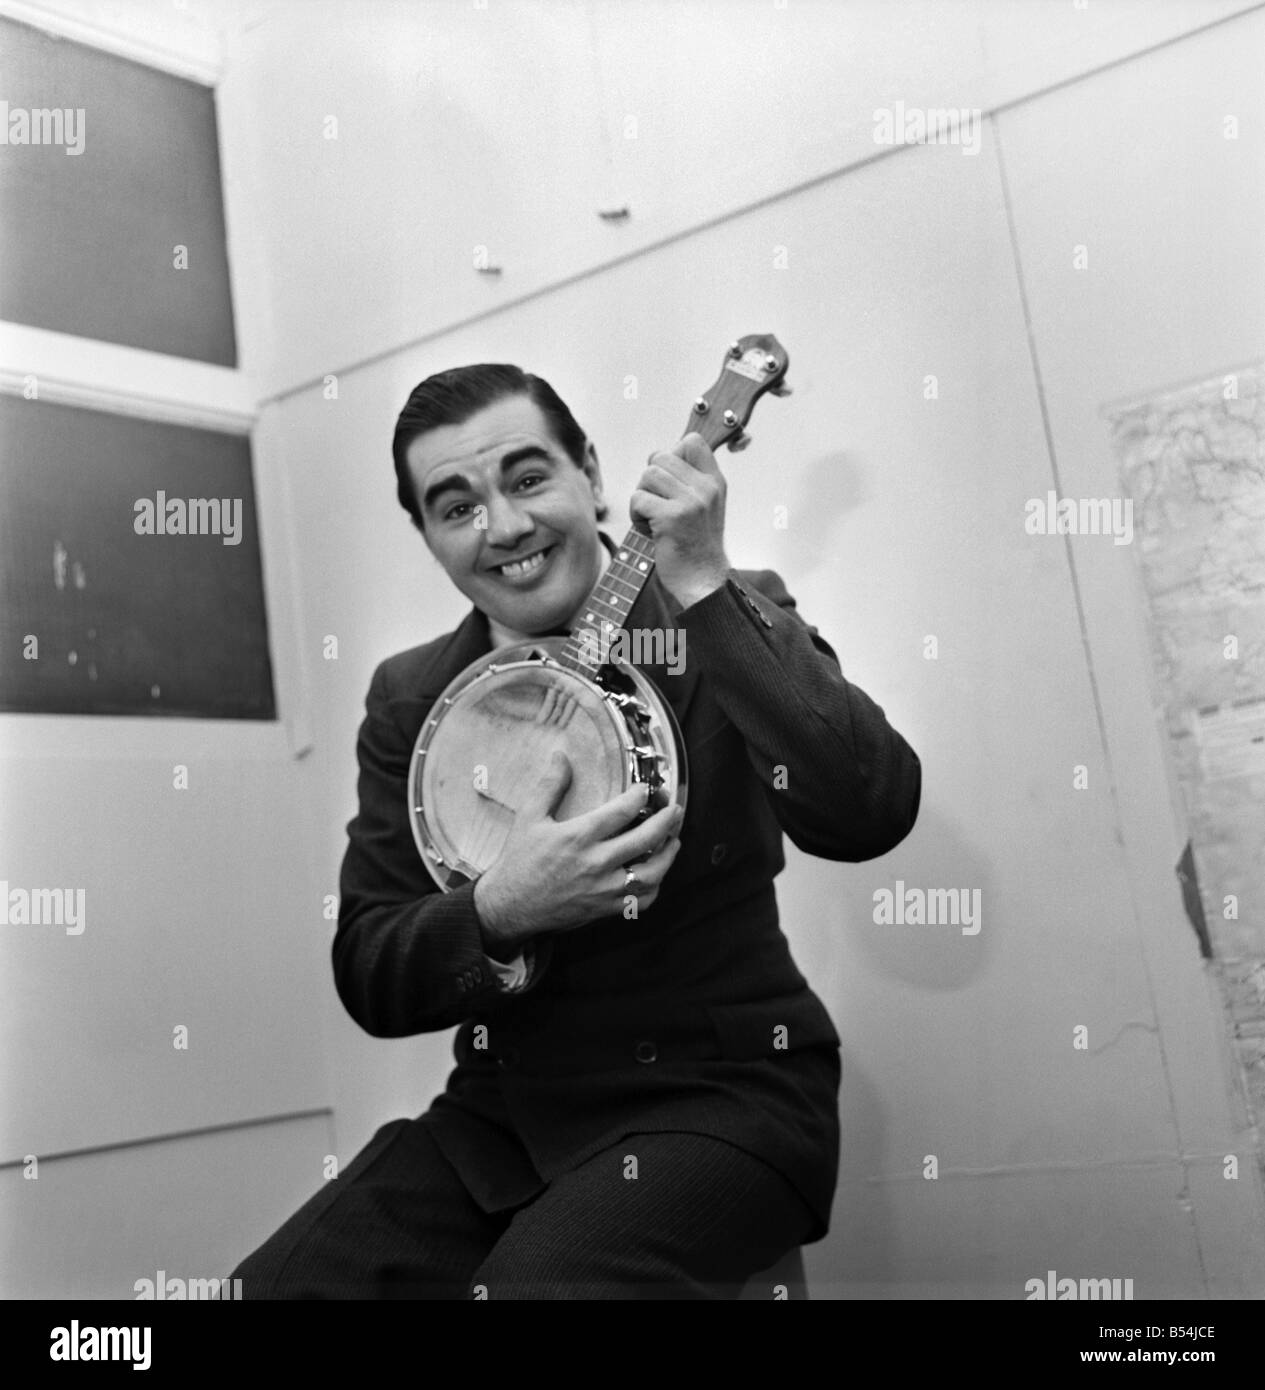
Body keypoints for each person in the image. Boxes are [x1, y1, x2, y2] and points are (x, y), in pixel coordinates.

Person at [231, 363, 921, 1299]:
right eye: (456, 504)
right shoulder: (410, 698)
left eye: (526, 478)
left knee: (544, 1287)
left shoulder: (718, 609)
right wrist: (499, 910)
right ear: (428, 537)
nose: (504, 527)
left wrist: (706, 586)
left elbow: (867, 811)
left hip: (721, 1098)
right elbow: (371, 973)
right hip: (500, 1120)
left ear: (590, 472)